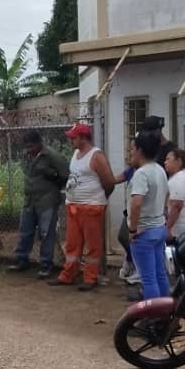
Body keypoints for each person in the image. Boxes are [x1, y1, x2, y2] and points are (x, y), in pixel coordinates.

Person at [50, 122, 115, 292]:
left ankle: (90, 277)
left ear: (83, 138)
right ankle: (68, 274)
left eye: (73, 137)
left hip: (92, 206)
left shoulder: (96, 156)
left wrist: (99, 198)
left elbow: (109, 182)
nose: (71, 140)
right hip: (74, 206)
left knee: (92, 245)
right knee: (72, 243)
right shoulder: (76, 153)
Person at [8, 129, 68, 279]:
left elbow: (65, 175)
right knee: (25, 230)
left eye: (31, 146)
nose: (29, 150)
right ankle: (22, 259)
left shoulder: (52, 156)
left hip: (46, 200)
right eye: (26, 147)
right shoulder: (27, 155)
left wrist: (52, 177)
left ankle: (46, 264)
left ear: (39, 143)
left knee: (46, 233)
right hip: (30, 200)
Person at [127, 131, 170, 300]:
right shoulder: (159, 169)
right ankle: (166, 312)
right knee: (160, 274)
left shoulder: (141, 173)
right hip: (159, 228)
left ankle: (153, 317)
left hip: (143, 232)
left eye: (132, 149)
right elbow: (167, 194)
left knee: (148, 279)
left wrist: (132, 229)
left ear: (140, 151)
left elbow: (137, 202)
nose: (131, 153)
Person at [164, 148, 185, 239]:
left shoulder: (178, 179)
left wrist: (168, 228)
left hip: (178, 228)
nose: (165, 162)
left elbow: (177, 205)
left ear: (179, 161)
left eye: (168, 159)